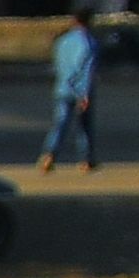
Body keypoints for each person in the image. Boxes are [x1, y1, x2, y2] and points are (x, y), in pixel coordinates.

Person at [44, 12, 105, 172]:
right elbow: (86, 70)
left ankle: (49, 154)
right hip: (80, 89)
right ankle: (86, 160)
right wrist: (83, 93)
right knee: (84, 125)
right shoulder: (89, 43)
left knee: (60, 123)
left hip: (62, 87)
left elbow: (58, 65)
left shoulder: (62, 41)